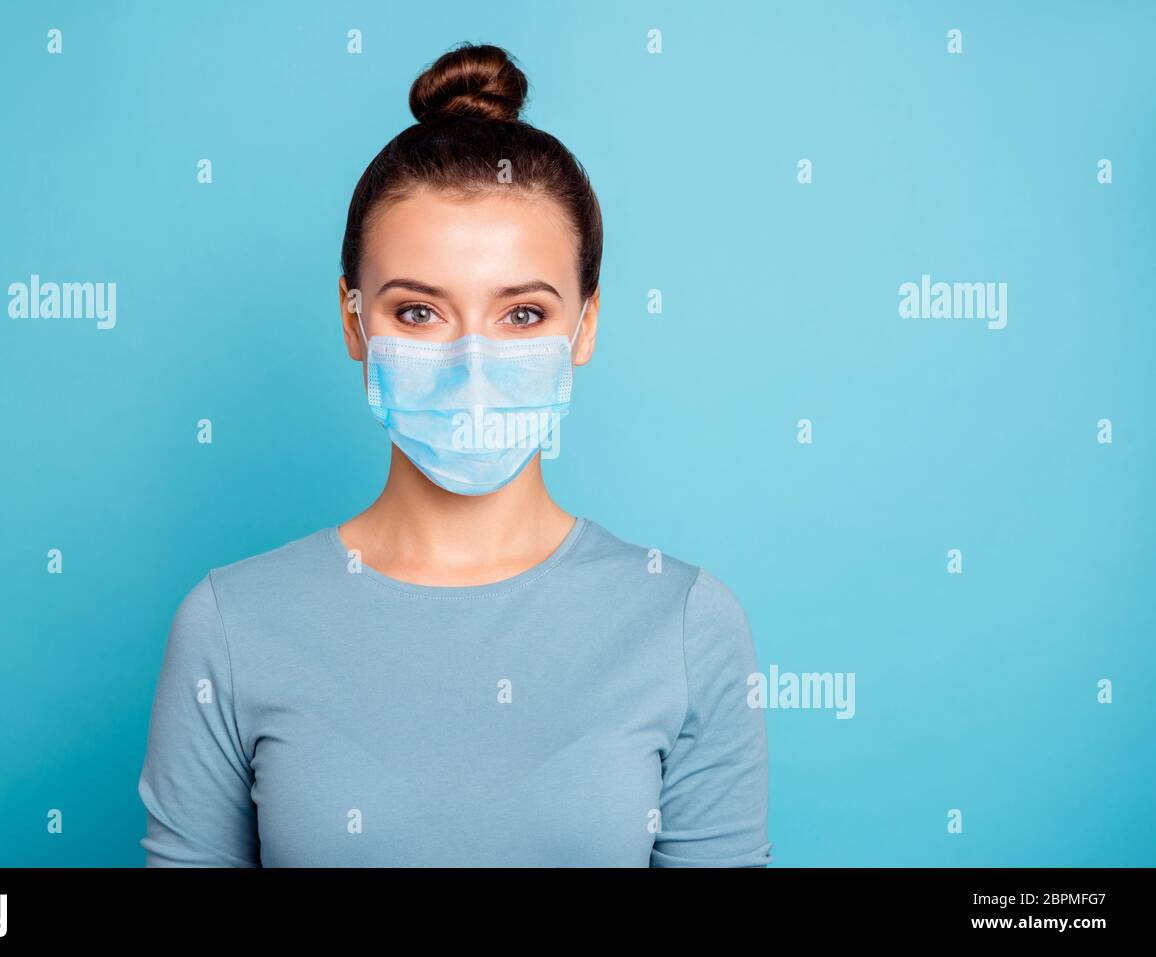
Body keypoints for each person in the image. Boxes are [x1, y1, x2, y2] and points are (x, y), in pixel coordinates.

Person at [137, 42, 772, 867]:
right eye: (418, 313)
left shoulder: (686, 623)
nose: (472, 364)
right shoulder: (228, 627)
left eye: (521, 315)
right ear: (353, 319)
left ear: (585, 325)